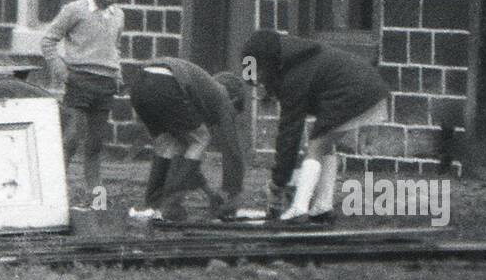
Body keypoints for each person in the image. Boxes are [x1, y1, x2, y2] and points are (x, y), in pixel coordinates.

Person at [241, 29, 390, 223]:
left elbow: (289, 134)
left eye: (260, 75)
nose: (259, 83)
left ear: (267, 64)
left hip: (357, 91)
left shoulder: (294, 76)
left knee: (317, 145)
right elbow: (255, 76)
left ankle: (299, 208)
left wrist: (278, 181)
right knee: (325, 146)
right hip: (369, 89)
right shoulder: (289, 59)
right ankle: (322, 207)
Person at [41, 0, 126, 205]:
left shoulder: (118, 15)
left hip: (105, 85)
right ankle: (56, 194)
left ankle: (96, 199)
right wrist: (61, 70)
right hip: (79, 83)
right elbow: (48, 41)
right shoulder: (74, 10)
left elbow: (114, 47)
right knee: (71, 139)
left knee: (96, 145)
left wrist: (117, 73)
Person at [127, 58, 250, 222]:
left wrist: (209, 192)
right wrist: (233, 193)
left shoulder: (199, 91)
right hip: (166, 81)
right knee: (201, 138)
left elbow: (187, 159)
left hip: (139, 82)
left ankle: (152, 204)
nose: (216, 123)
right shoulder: (222, 96)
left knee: (168, 144)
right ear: (233, 100)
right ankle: (171, 204)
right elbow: (231, 149)